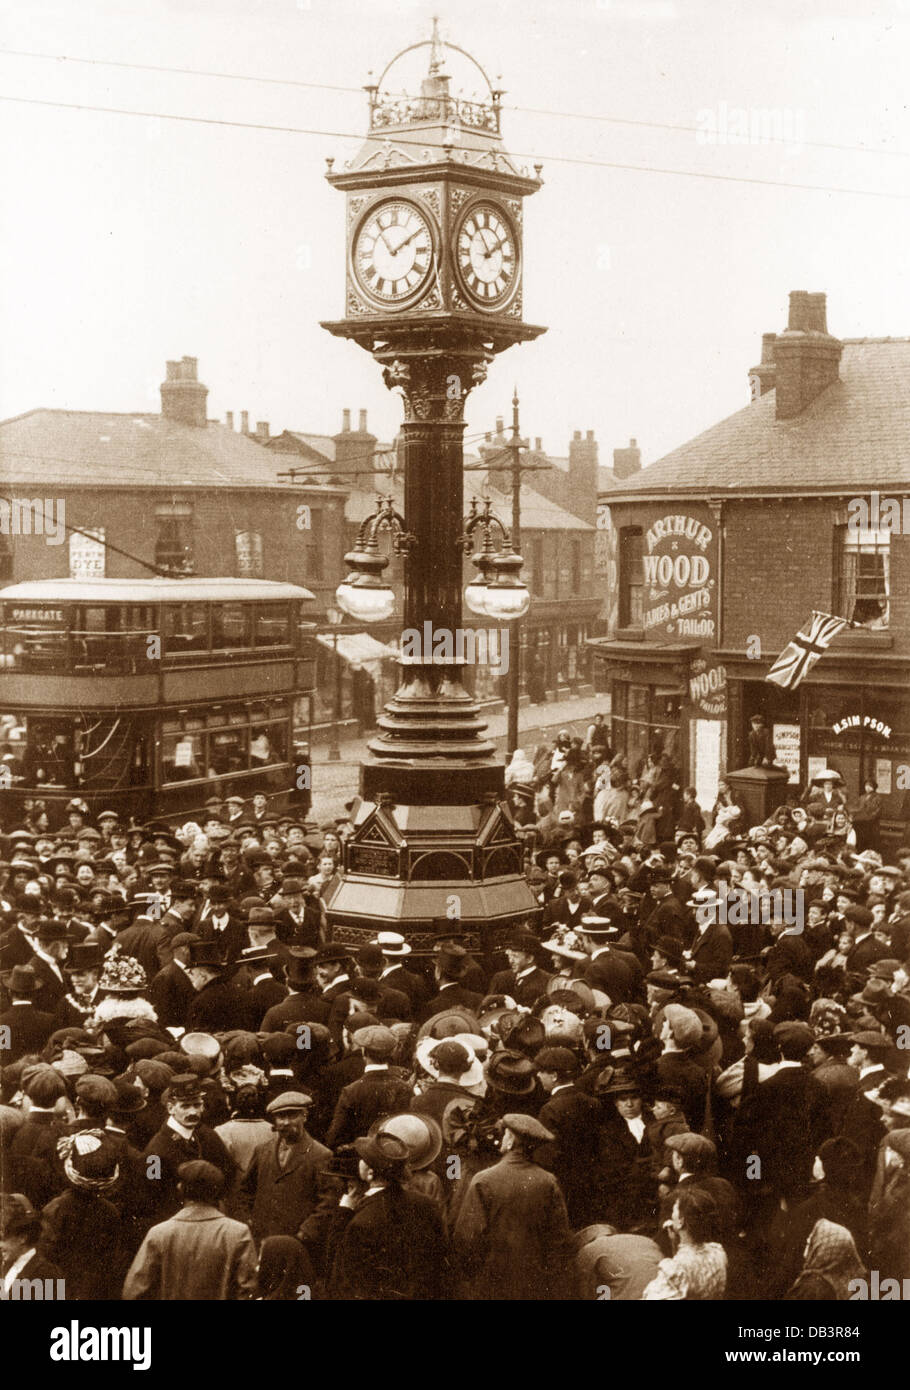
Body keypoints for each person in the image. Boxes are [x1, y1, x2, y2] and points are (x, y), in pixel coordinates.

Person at [453, 1112, 572, 1300]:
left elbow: (467, 1237)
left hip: (492, 1281)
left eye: (505, 1133)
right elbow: (560, 1238)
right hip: (535, 1281)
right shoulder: (548, 1181)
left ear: (511, 1140)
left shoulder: (484, 1180)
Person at [329, 1131, 448, 1300]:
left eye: (363, 1159)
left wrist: (344, 1211)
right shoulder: (427, 1205)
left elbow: (340, 1277)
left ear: (370, 1173)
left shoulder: (361, 1222)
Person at [122, 1160, 257, 1300]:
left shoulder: (159, 1234)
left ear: (181, 1189)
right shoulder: (238, 1233)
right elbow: (249, 1290)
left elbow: (133, 1292)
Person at [247, 1091, 331, 1243]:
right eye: (281, 1117)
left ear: (304, 1116)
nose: (285, 1122)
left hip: (298, 1242)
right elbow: (245, 1190)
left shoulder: (321, 1155)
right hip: (262, 1238)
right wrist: (248, 1221)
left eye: (292, 1116)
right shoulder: (262, 1151)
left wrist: (305, 1232)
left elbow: (328, 1201)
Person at [642, 1186, 727, 1299]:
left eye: (674, 1210)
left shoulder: (676, 1268)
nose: (672, 1215)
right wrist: (675, 1242)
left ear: (681, 1222)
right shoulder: (718, 1253)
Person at [785, 1218, 866, 1300]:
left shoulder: (812, 1288)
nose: (808, 1239)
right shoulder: (843, 1286)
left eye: (814, 1236)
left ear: (826, 1247)